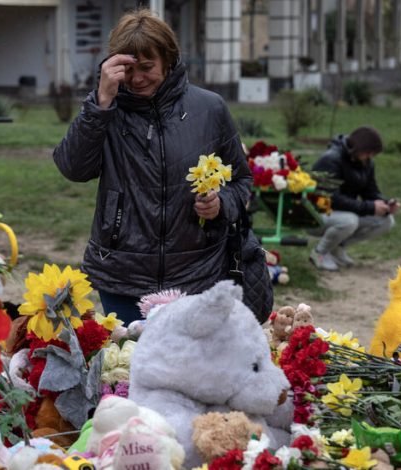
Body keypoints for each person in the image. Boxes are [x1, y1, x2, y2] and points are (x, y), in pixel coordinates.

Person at [53, 8, 252, 324]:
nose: (137, 78)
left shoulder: (209, 108)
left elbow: (242, 181)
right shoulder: (107, 110)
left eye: (147, 67)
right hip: (122, 274)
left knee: (191, 369)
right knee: (133, 368)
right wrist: (100, 103)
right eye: (128, 69)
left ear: (169, 59)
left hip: (197, 274)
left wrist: (221, 204)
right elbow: (73, 169)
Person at [309, 126, 401, 271]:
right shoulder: (331, 159)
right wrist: (370, 207)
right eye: (368, 152)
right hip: (317, 214)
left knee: (386, 221)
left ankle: (337, 248)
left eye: (372, 154)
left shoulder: (366, 162)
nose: (370, 156)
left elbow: (370, 192)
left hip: (343, 212)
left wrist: (387, 203)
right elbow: (332, 198)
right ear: (358, 148)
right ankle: (319, 253)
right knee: (349, 221)